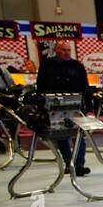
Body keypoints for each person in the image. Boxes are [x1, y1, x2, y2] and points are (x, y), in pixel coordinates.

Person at [35, 41, 91, 175]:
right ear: (56, 50)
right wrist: (42, 105)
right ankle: (69, 163)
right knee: (61, 135)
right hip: (54, 104)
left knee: (78, 135)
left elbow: (85, 87)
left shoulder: (77, 65)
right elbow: (40, 85)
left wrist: (89, 108)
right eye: (64, 50)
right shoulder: (47, 65)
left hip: (76, 103)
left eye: (69, 50)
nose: (67, 53)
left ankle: (78, 164)